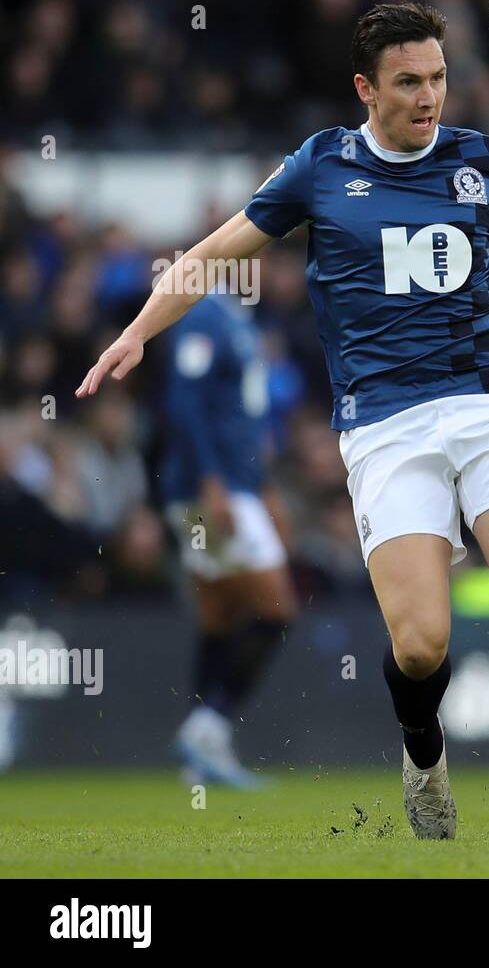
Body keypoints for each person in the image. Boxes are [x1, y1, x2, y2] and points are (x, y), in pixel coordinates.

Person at [78, 1, 489, 844]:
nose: (429, 98)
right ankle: (424, 759)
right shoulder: (322, 168)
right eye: (409, 83)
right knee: (421, 645)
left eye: (438, 78)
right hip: (386, 426)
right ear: (366, 87)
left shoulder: (483, 162)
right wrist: (136, 333)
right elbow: (211, 256)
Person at [160, 290, 297, 789]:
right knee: (277, 611)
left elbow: (239, 419)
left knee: (219, 618)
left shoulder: (241, 320)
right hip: (212, 491)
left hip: (238, 486)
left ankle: (198, 764)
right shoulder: (203, 314)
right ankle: (207, 725)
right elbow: (185, 400)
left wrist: (263, 486)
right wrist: (213, 480)